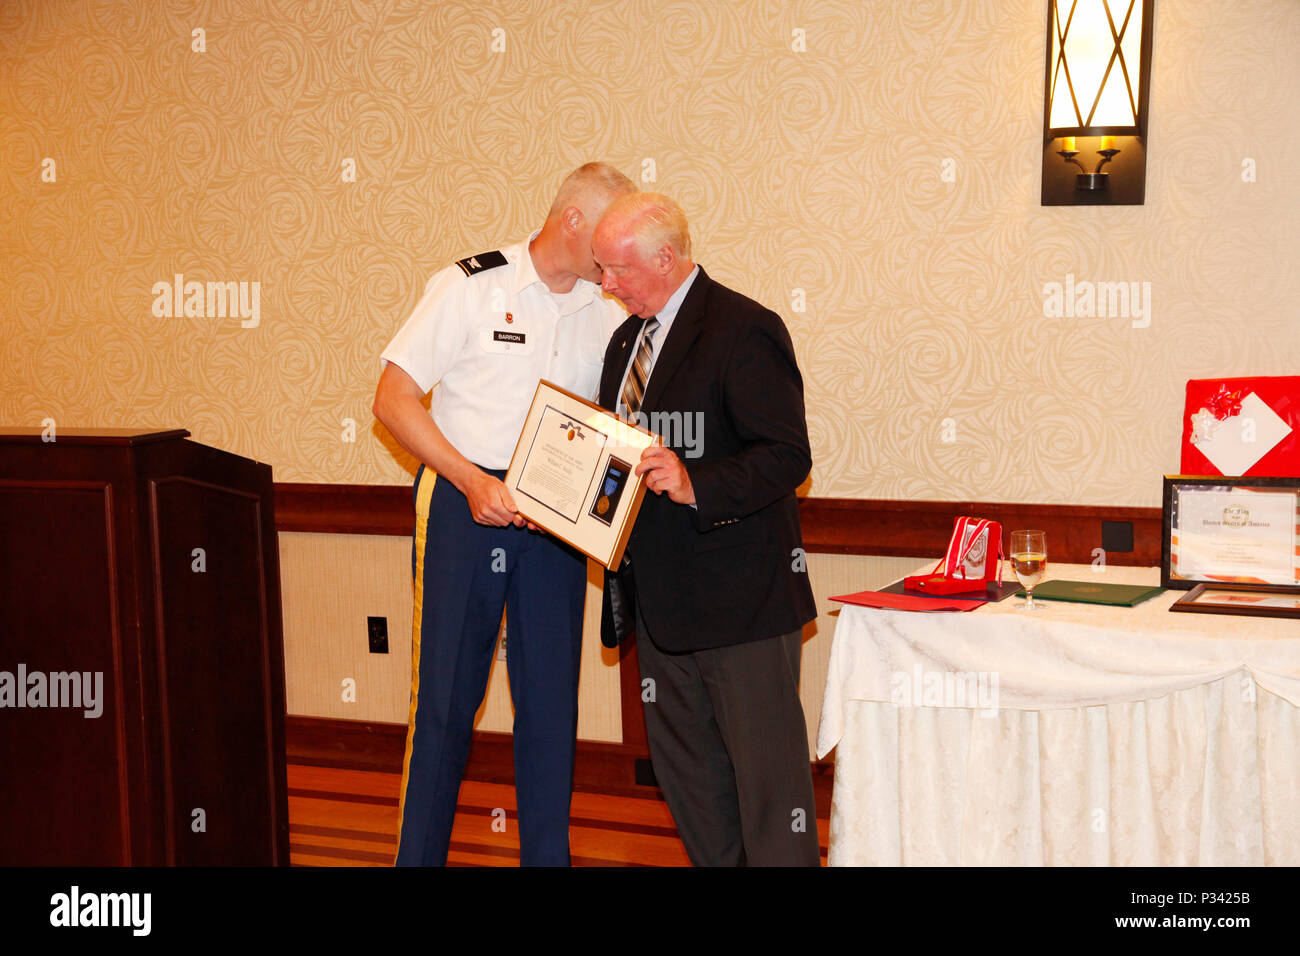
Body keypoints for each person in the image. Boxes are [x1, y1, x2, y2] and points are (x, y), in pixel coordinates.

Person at [373, 162, 635, 866]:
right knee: (446, 709)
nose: (615, 259)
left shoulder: (606, 313)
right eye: (608, 237)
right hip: (463, 505)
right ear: (573, 221)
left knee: (551, 711)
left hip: (553, 522)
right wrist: (465, 479)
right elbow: (392, 399)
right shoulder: (469, 287)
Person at [592, 192, 821, 866]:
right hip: (660, 611)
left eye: (616, 269)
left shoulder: (743, 327)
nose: (605, 284)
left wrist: (696, 483)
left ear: (665, 258)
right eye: (602, 269)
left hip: (743, 607)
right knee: (694, 790)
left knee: (772, 801)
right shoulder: (624, 342)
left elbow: (786, 457)